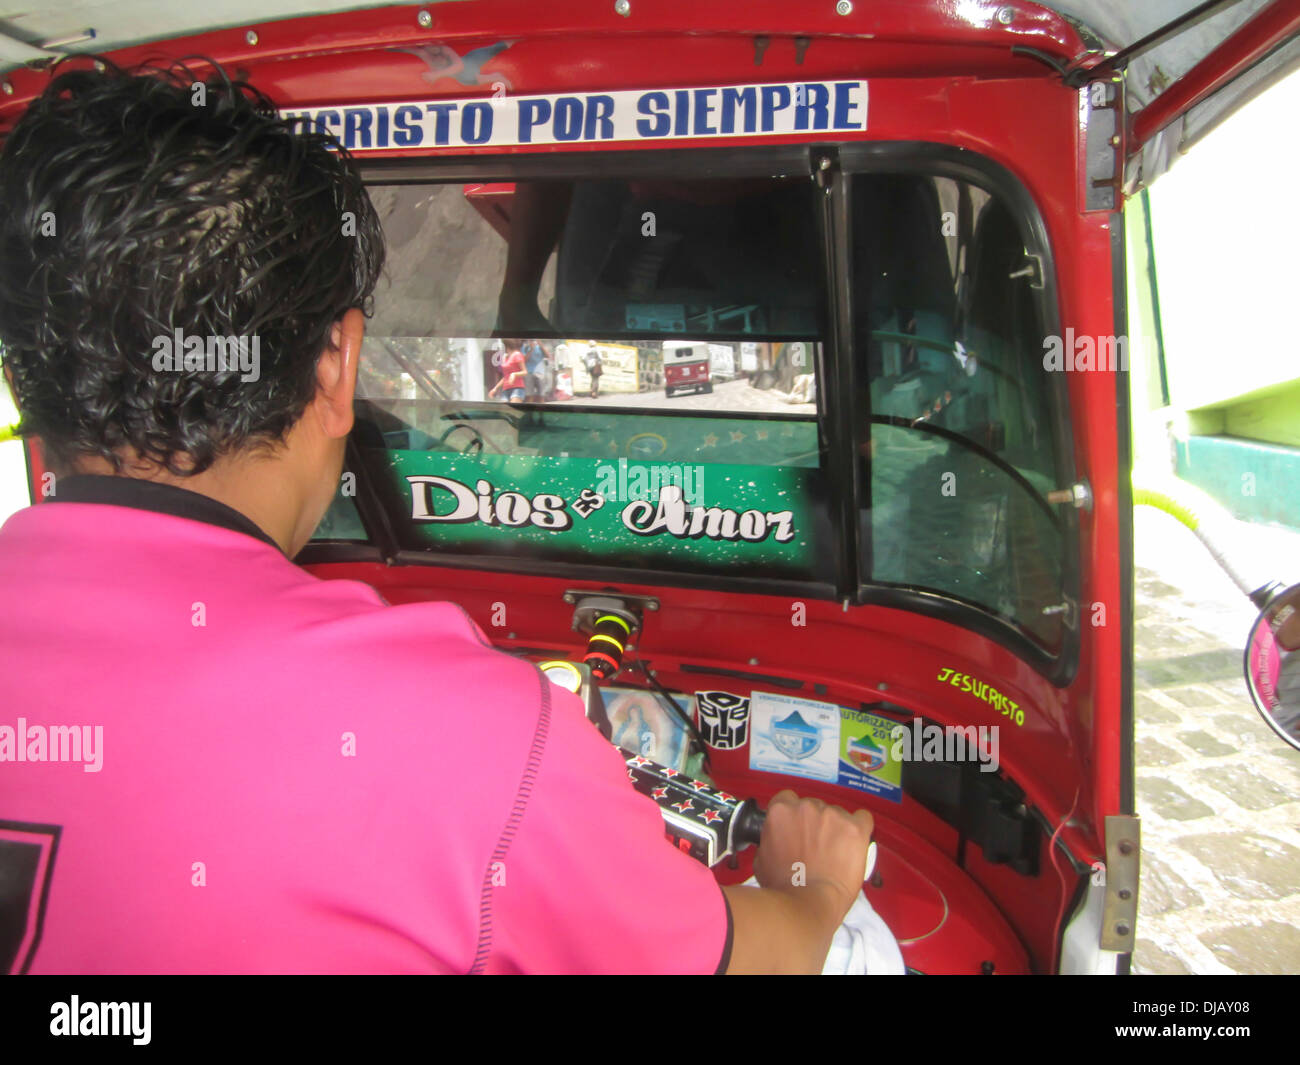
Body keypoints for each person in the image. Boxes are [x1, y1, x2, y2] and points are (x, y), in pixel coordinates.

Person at [0, 59, 874, 976]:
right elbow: (736, 961)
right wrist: (810, 887)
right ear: (337, 366)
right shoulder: (473, 744)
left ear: (27, 376)